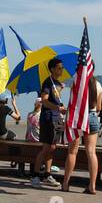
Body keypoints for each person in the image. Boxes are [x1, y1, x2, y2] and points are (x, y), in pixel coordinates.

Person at [61, 73, 102, 193]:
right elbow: (99, 107)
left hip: (78, 117)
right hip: (92, 115)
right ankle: (92, 185)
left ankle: (65, 183)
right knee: (91, 152)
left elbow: (72, 104)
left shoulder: (77, 83)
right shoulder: (98, 84)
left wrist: (66, 112)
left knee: (72, 151)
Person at [30, 58, 65, 188]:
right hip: (48, 118)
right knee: (46, 147)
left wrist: (61, 107)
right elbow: (44, 101)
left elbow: (55, 100)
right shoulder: (47, 83)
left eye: (62, 67)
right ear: (52, 69)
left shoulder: (56, 83)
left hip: (56, 118)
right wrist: (57, 108)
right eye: (59, 68)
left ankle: (47, 174)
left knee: (53, 147)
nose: (61, 70)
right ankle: (35, 175)